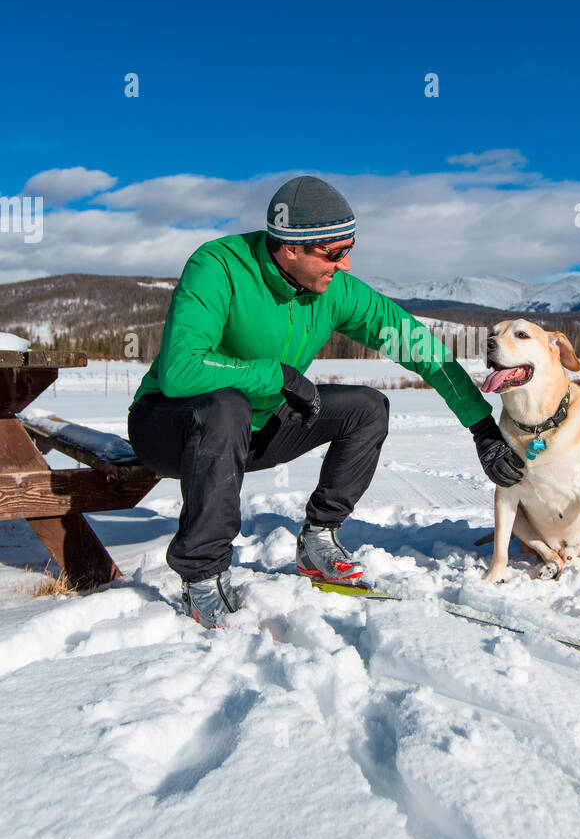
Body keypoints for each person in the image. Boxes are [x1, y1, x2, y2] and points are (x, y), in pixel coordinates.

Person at [127, 175, 524, 626]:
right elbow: (182, 370)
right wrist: (276, 376)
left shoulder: (334, 290)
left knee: (367, 407)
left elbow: (420, 347)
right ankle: (201, 576)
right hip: (170, 428)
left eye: (351, 248)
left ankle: (319, 536)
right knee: (226, 405)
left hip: (254, 431)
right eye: (335, 253)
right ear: (291, 248)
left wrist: (482, 428)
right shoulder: (218, 265)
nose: (347, 264)